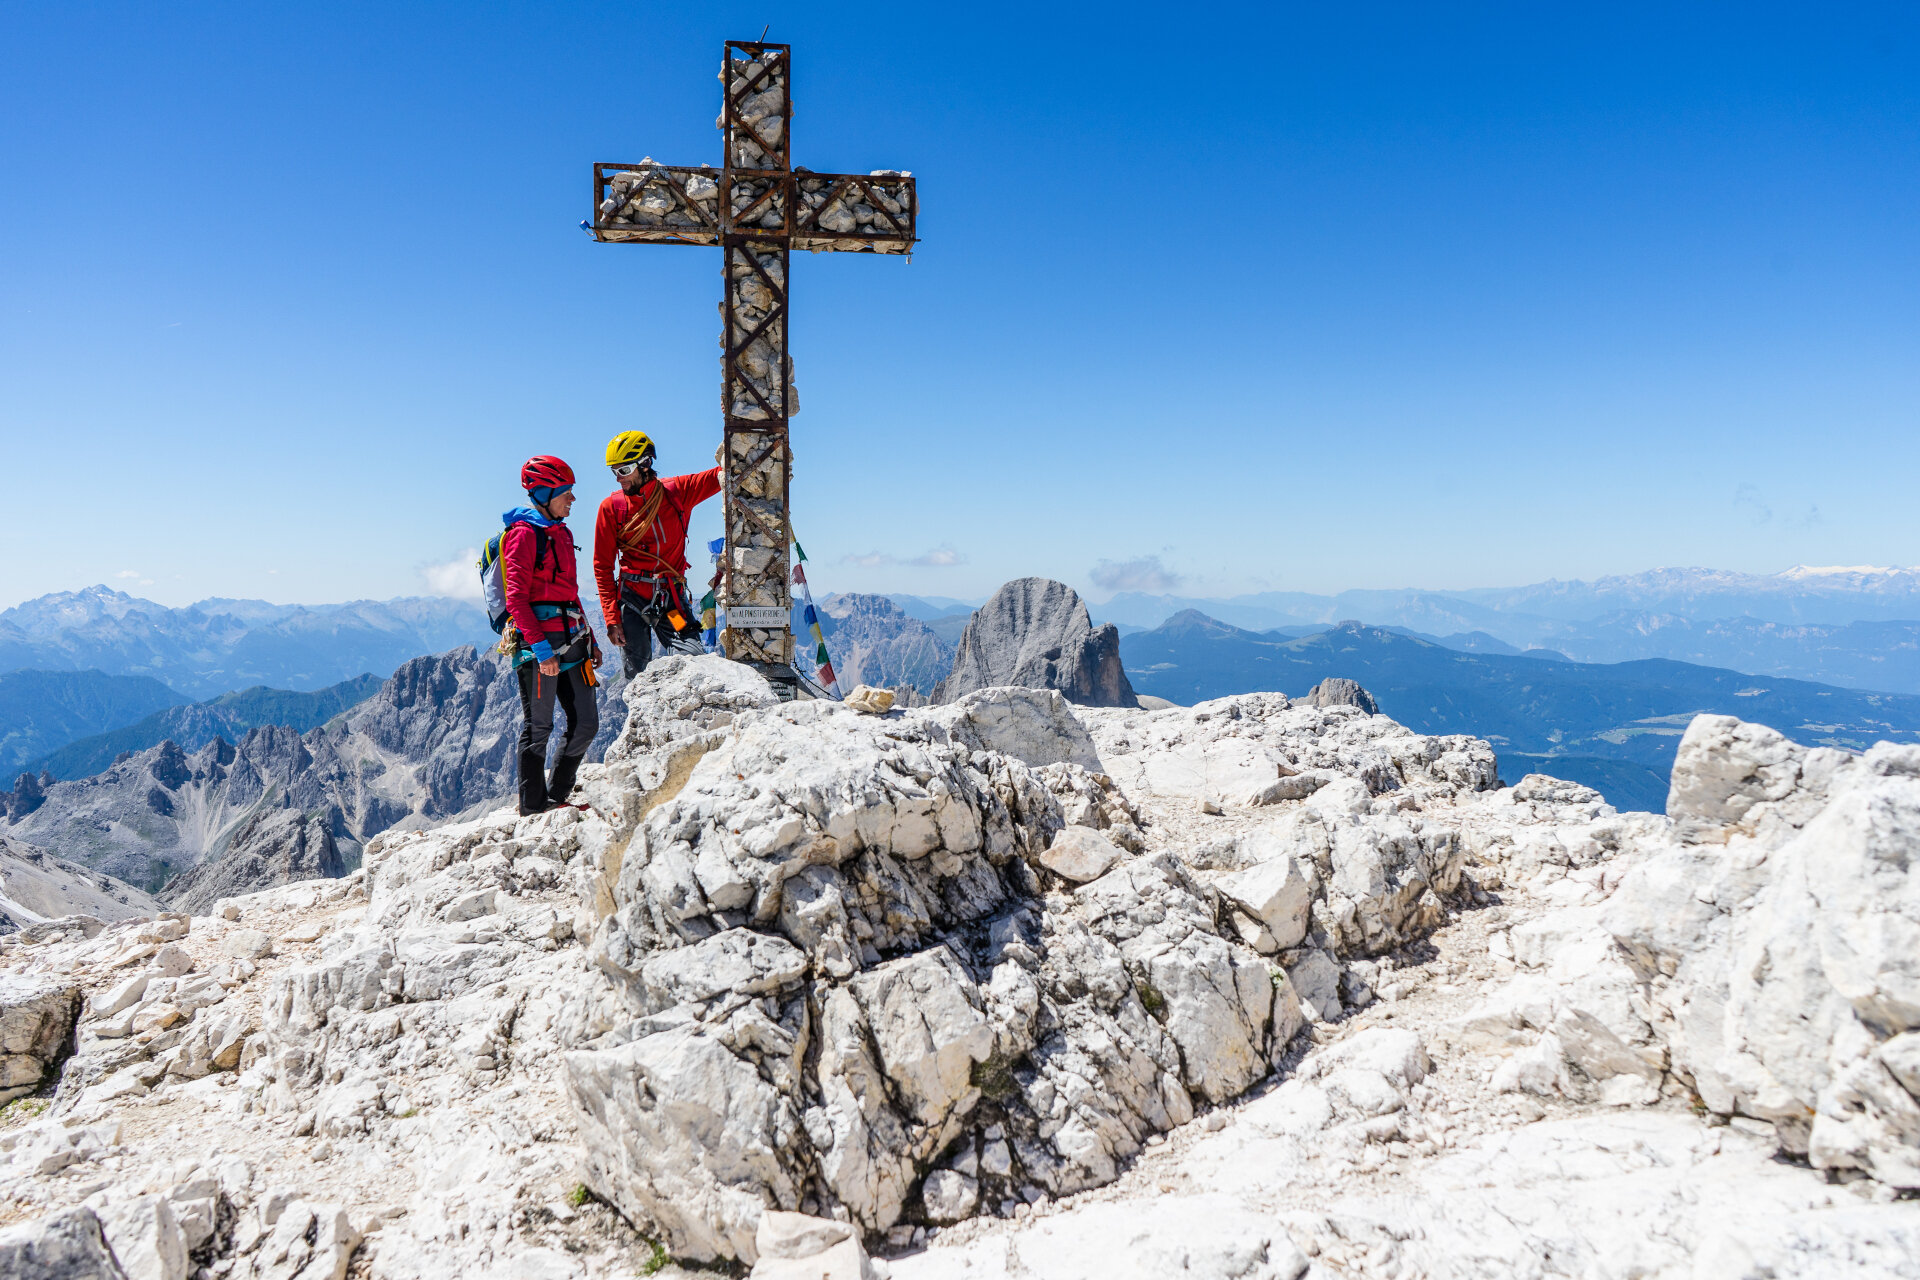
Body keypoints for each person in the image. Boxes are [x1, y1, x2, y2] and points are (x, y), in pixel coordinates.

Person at [503, 456, 600, 815]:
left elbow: (570, 592)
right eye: (567, 493)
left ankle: (557, 796)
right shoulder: (523, 536)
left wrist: (589, 636)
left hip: (573, 641)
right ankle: (532, 806)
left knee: (587, 723)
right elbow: (515, 599)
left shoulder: (562, 532)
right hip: (538, 648)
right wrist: (543, 652)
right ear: (544, 493)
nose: (572, 499)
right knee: (539, 727)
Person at [593, 430, 723, 678]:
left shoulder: (677, 492)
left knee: (692, 657)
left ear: (645, 464)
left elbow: (720, 475)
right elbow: (602, 566)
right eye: (614, 471)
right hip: (632, 602)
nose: (618, 479)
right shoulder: (611, 508)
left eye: (623, 470)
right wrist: (611, 619)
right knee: (637, 673)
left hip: (670, 604)